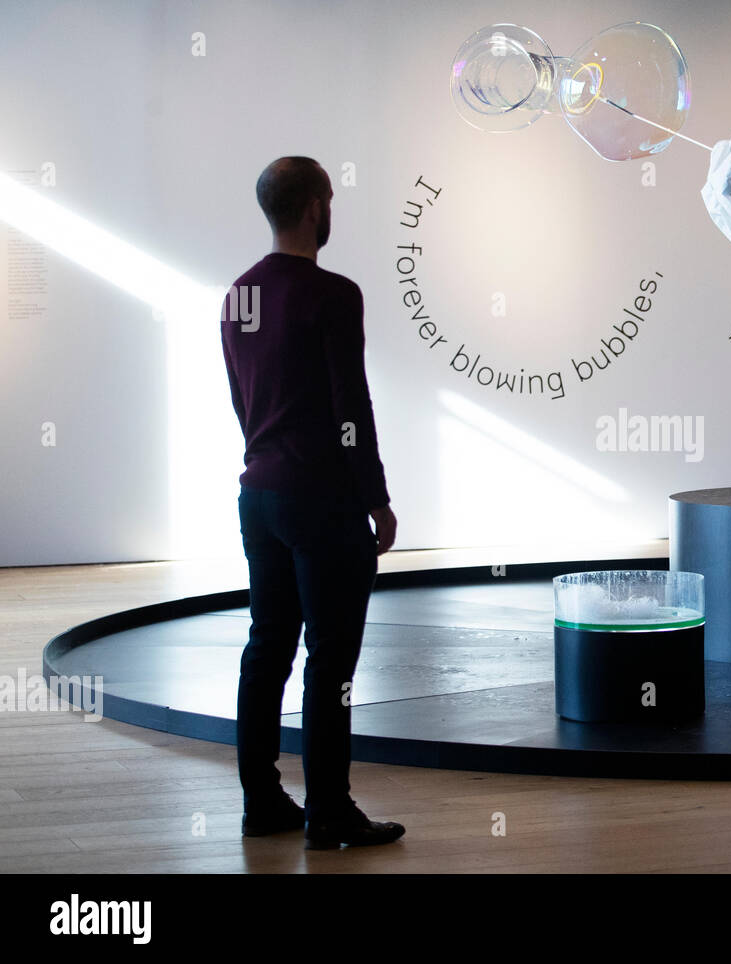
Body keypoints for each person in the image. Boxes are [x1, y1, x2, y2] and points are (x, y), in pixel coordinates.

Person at [221, 156, 404, 849]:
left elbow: (243, 399)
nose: (333, 211)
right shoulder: (335, 294)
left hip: (259, 492)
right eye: (330, 199)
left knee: (267, 645)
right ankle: (329, 810)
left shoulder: (239, 294)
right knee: (331, 658)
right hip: (320, 499)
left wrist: (266, 455)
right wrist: (376, 497)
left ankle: (262, 801)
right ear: (312, 209)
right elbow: (348, 405)